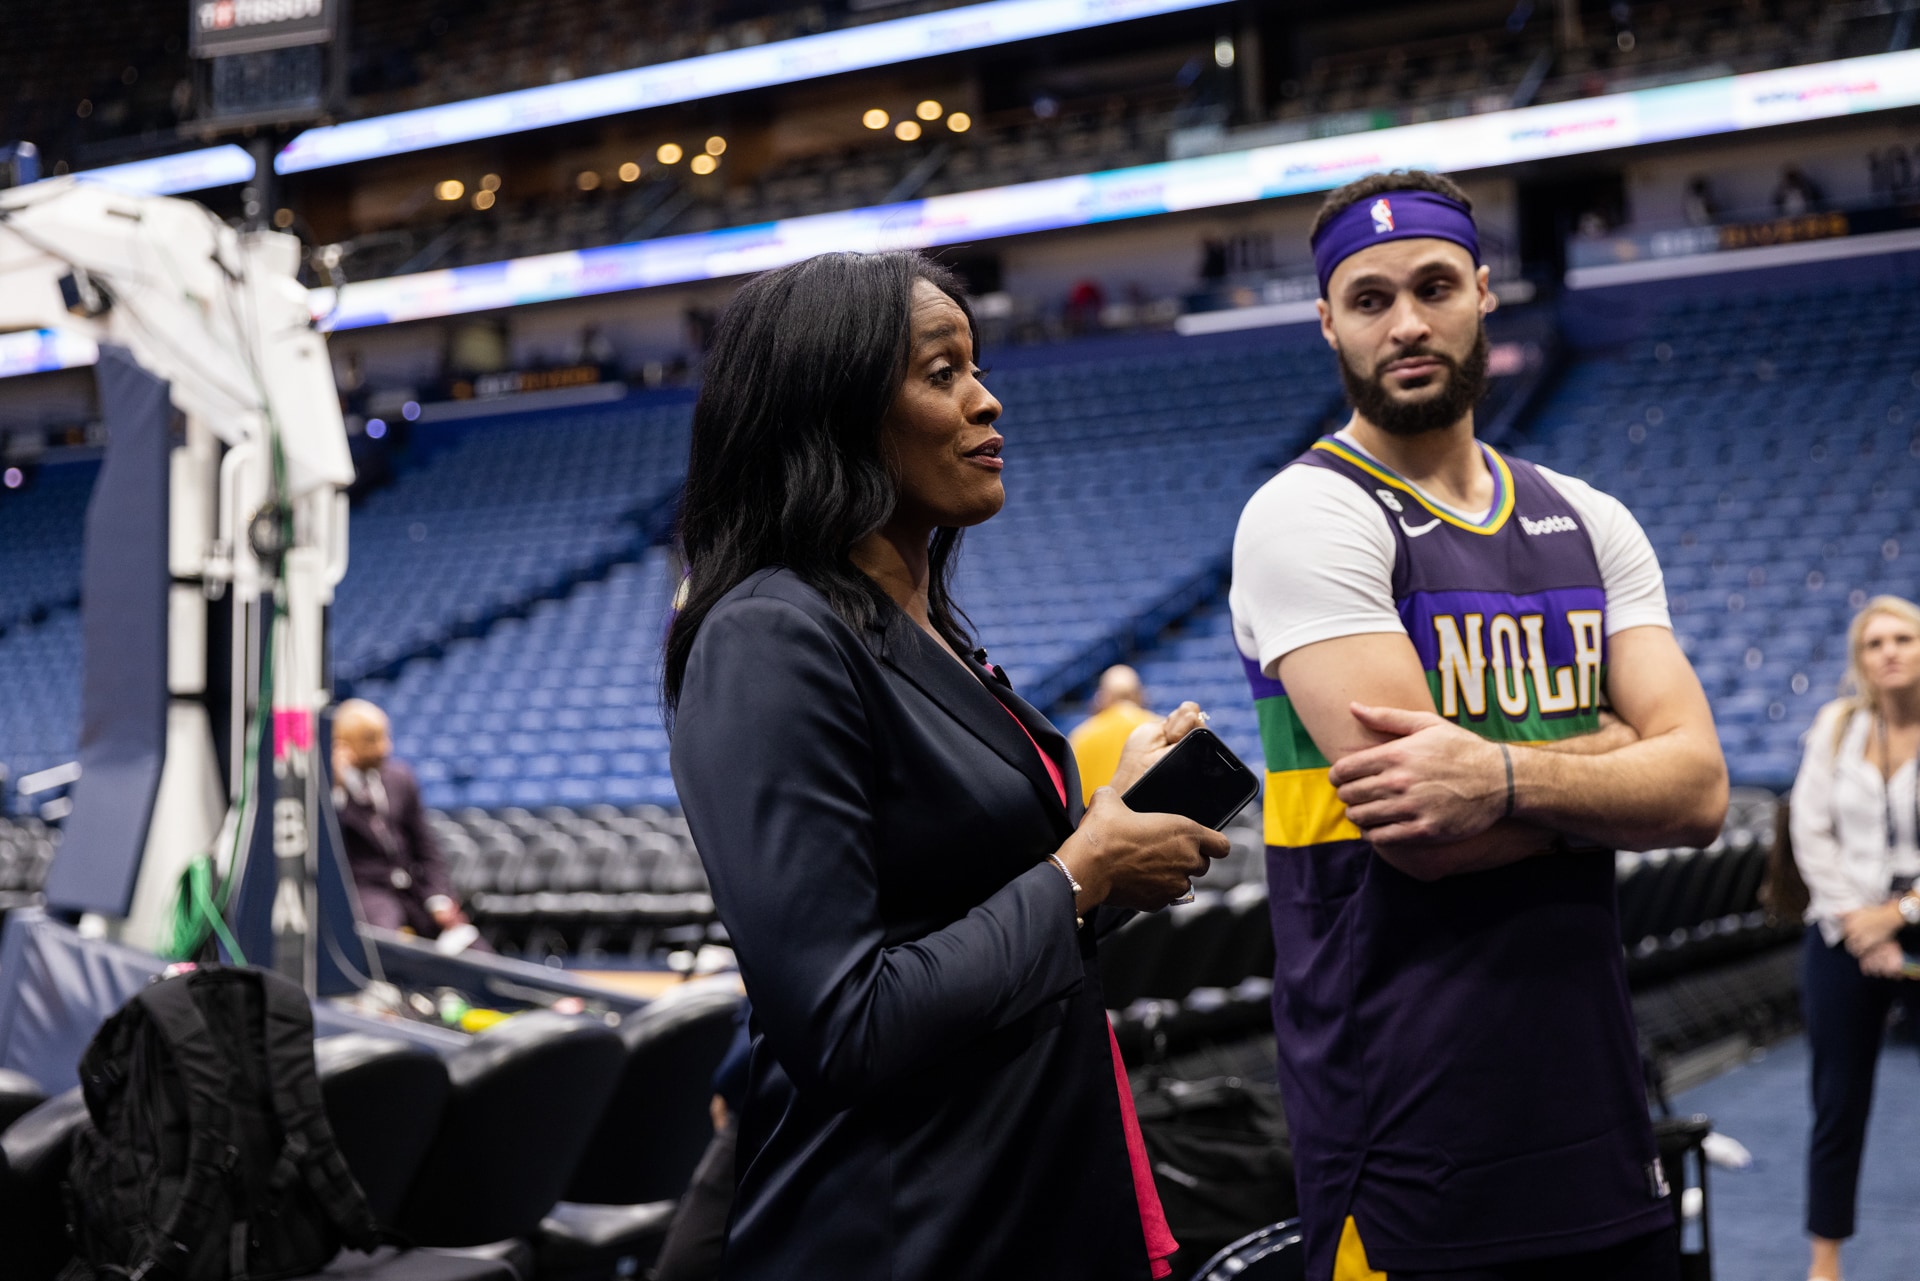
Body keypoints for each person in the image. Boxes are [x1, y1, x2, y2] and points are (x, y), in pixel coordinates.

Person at [665, 250, 1229, 1281]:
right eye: (943, 374)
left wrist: (1113, 838)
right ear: (832, 408)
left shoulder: (929, 630)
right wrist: (1081, 870)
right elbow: (850, 1021)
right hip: (909, 1229)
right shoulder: (766, 637)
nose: (987, 400)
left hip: (1026, 1196)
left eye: (976, 367)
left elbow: (978, 917)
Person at [1229, 170, 1728, 1281]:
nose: (1406, 322)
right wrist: (1612, 761)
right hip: (1400, 1125)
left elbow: (1698, 791)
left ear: (1485, 295)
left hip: (1595, 1105)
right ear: (1327, 322)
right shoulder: (1308, 513)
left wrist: (1495, 777)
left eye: (1435, 285)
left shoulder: (1589, 519)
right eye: (1368, 299)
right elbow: (1428, 830)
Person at [1788, 595, 1920, 1281]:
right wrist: (1858, 924)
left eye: (1903, 637)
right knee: (1836, 1101)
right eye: (1875, 643)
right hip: (1842, 932)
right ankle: (1825, 1261)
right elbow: (1810, 833)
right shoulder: (1836, 726)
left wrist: (1900, 913)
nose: (1890, 651)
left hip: (1912, 920)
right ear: (1860, 660)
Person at [331, 698, 470, 941]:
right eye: (371, 740)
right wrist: (337, 789)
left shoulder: (400, 779)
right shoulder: (325, 790)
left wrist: (438, 898)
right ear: (343, 745)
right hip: (367, 895)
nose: (384, 748)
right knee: (387, 945)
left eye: (385, 737)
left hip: (413, 894)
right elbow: (326, 848)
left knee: (478, 954)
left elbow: (427, 848)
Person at [1070, 665, 1163, 803]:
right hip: (1149, 819)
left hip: (1100, 819)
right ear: (1139, 695)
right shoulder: (1160, 728)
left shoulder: (1082, 735)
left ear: (1103, 697)